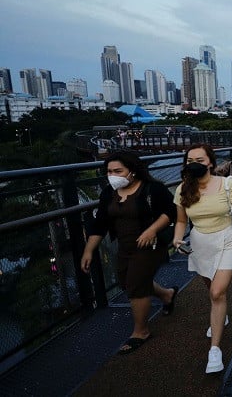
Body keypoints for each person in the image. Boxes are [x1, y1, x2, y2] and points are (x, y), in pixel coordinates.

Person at [80, 151, 178, 355]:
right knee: (127, 282)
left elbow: (171, 212)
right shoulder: (109, 193)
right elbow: (100, 224)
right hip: (125, 247)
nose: (112, 175)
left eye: (118, 171)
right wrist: (89, 250)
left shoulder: (153, 189)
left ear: (132, 171)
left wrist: (152, 230)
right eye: (109, 171)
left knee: (135, 285)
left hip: (150, 246)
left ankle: (140, 332)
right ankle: (167, 294)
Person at [172, 144, 232, 374]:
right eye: (189, 160)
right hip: (199, 243)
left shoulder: (226, 184)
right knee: (210, 285)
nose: (194, 163)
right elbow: (181, 221)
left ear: (211, 163)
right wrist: (178, 239)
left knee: (217, 292)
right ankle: (220, 315)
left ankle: (214, 351)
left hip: (227, 240)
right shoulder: (182, 190)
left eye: (199, 159)